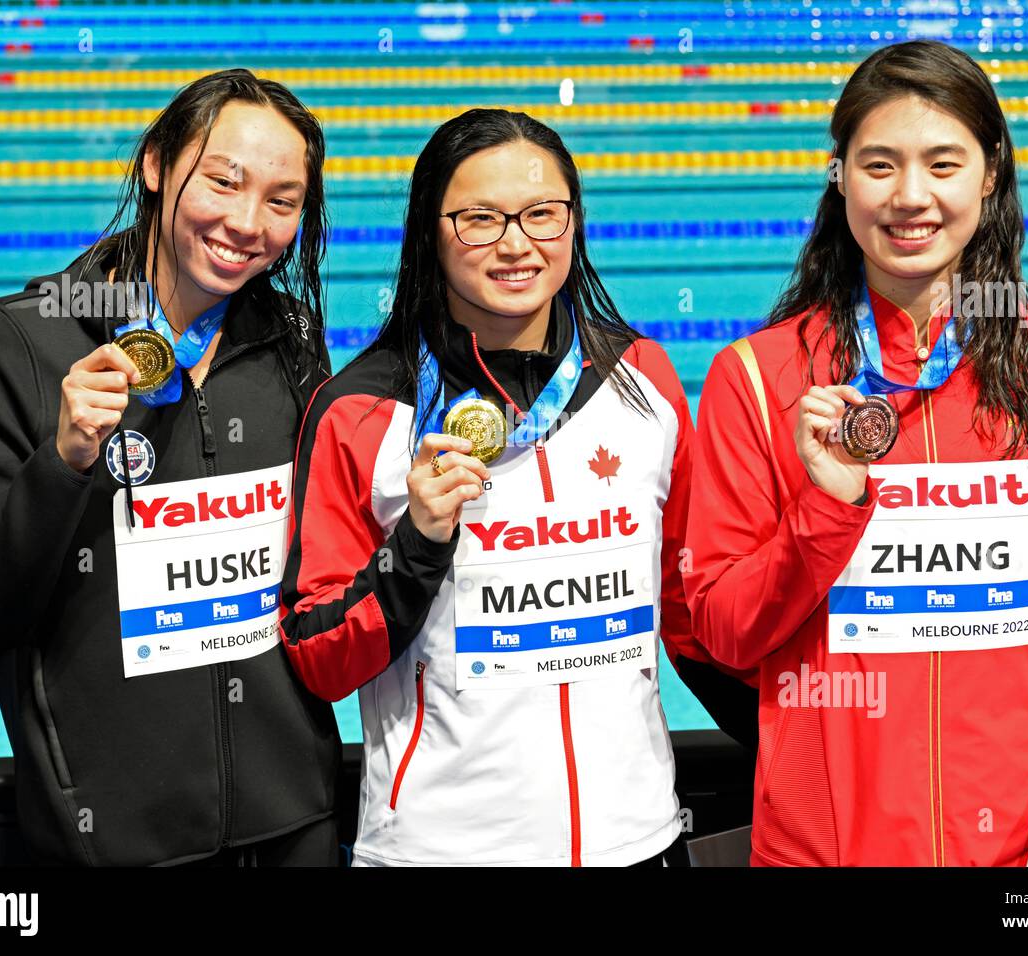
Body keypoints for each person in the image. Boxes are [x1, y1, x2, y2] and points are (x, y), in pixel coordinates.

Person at [684, 40, 1028, 866]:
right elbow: (722, 632)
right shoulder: (756, 379)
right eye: (878, 165)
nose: (911, 197)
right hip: (825, 850)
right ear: (839, 179)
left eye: (943, 163)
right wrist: (826, 510)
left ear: (990, 173)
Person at [279, 108, 750, 866]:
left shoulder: (642, 381)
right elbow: (318, 656)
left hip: (639, 840)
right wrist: (417, 546)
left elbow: (691, 612)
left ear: (574, 222)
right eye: (480, 219)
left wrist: (791, 739)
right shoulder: (362, 411)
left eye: (541, 215)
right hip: (437, 851)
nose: (516, 243)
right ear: (430, 231)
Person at [0, 69, 339, 866]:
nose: (247, 223)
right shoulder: (22, 344)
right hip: (115, 844)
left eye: (282, 201)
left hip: (295, 825)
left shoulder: (285, 340)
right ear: (156, 164)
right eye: (223, 181)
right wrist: (64, 461)